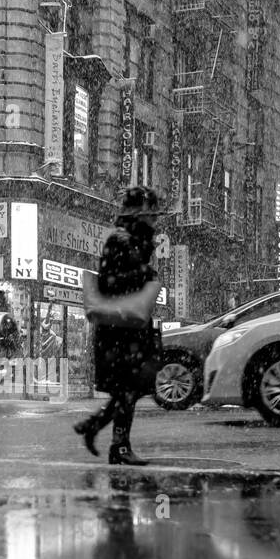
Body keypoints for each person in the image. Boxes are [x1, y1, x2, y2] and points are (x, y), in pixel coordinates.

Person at [74, 186, 164, 466]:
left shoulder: (138, 240)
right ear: (138, 214)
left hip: (131, 326)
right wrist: (144, 272)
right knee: (128, 389)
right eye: (151, 214)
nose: (155, 220)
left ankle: (97, 428)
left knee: (131, 389)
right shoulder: (119, 240)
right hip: (119, 329)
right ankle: (117, 444)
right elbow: (109, 281)